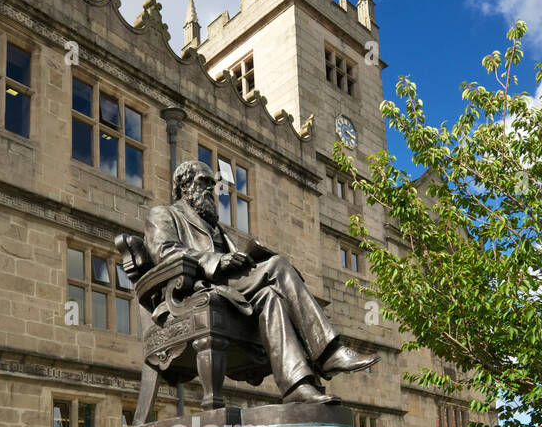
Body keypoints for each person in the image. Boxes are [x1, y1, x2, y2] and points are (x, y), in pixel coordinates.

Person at [144, 160, 377, 403]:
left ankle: (297, 385)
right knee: (278, 266)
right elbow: (165, 252)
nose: (210, 189)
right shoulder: (163, 214)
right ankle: (328, 352)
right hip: (189, 292)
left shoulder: (216, 227)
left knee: (272, 297)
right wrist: (216, 261)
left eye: (212, 184)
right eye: (204, 182)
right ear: (184, 185)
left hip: (228, 292)